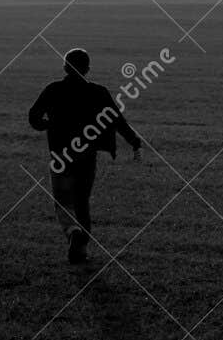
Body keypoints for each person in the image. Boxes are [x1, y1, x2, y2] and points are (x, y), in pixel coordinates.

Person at [28, 48, 143, 263]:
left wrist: (46, 125)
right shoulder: (99, 92)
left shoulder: (53, 90)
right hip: (86, 157)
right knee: (82, 202)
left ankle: (72, 232)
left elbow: (33, 116)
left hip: (60, 156)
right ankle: (80, 250)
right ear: (87, 69)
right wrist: (134, 140)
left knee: (63, 202)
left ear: (65, 68)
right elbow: (117, 120)